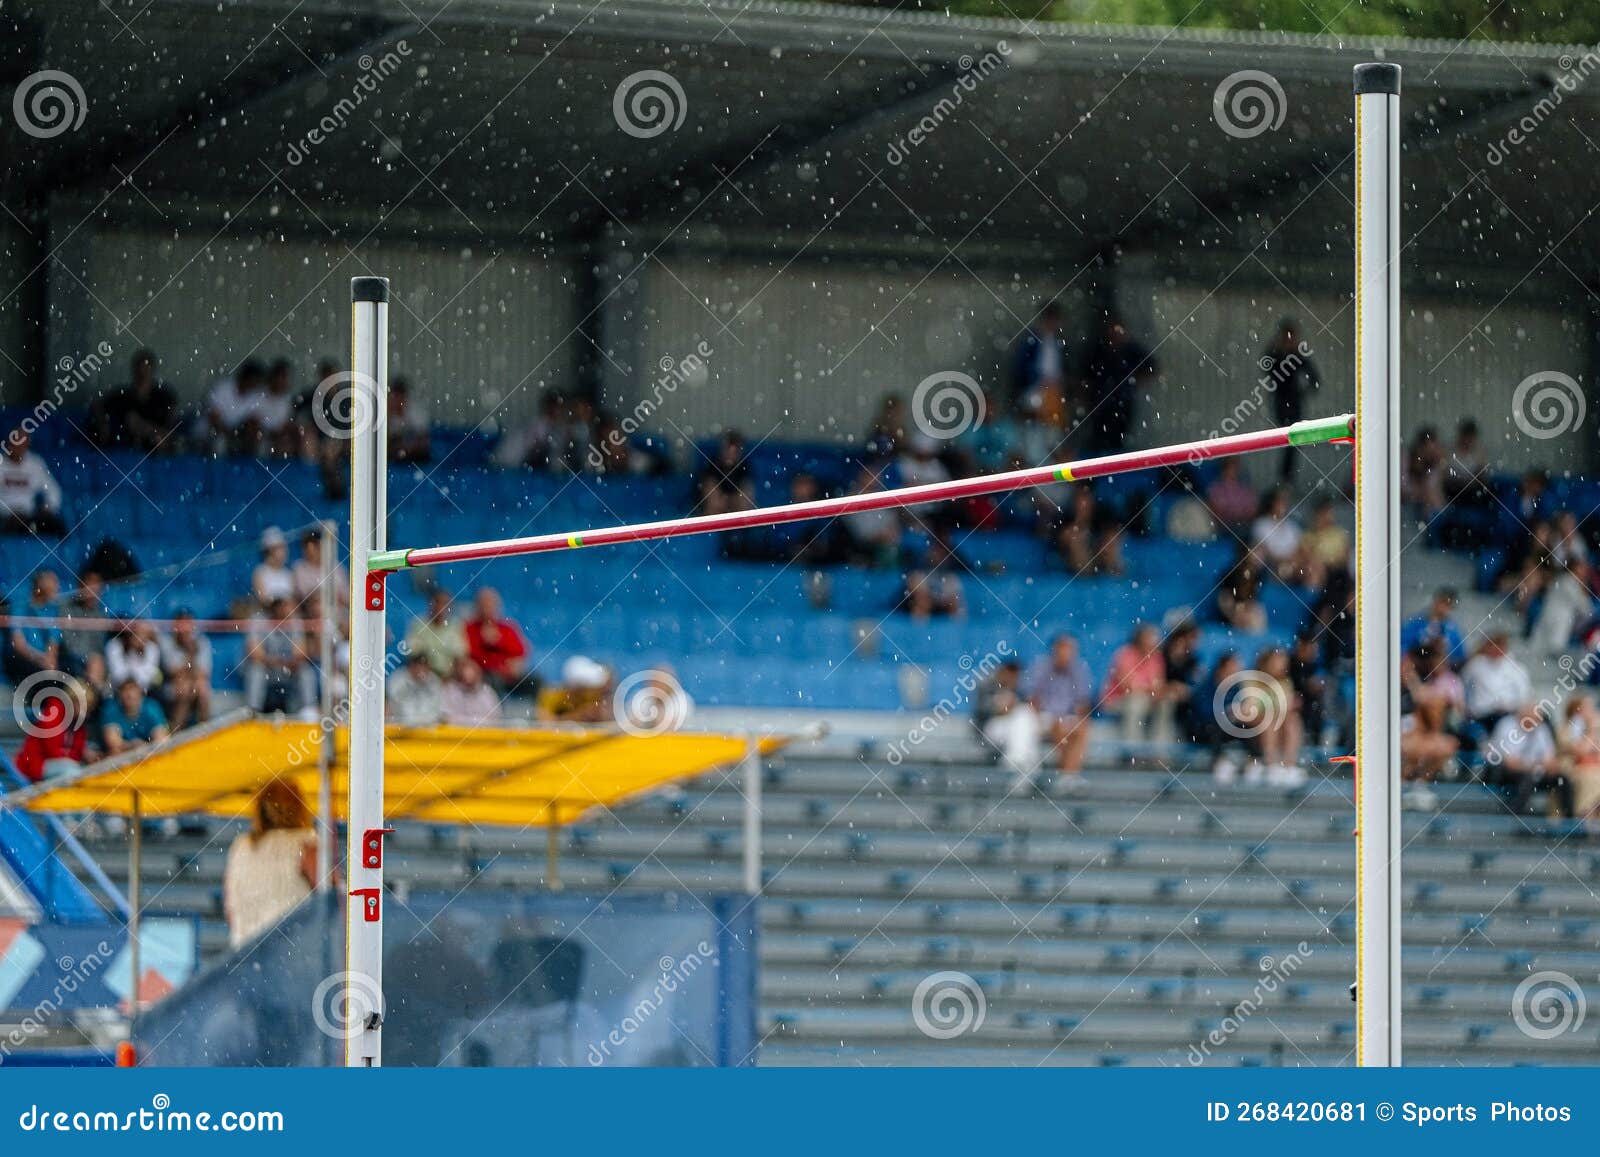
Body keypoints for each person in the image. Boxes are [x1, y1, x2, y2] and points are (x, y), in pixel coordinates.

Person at [222, 779, 319, 949]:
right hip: (292, 950)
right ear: (299, 806)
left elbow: (230, 912)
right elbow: (332, 899)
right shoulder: (307, 843)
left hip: (246, 951)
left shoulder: (240, 847)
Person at [1079, 310, 1156, 454]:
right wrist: (1085, 398)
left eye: (1118, 331)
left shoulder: (1131, 350)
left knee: (1119, 441)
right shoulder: (1099, 351)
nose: (1115, 334)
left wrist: (1135, 380)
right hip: (1100, 404)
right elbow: (1085, 377)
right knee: (1099, 441)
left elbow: (1153, 367)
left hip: (1123, 404)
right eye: (1112, 330)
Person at [1024, 634, 1093, 788]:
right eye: (1064, 649)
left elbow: (1082, 702)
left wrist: (1079, 719)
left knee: (1082, 728)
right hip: (1043, 715)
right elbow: (1032, 699)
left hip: (1067, 716)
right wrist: (1037, 719)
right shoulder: (1041, 667)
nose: (1067, 654)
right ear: (1055, 649)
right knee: (1059, 726)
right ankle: (1067, 774)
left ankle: (1069, 774)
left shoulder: (1079, 669)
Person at [1486, 705, 1573, 819]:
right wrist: (1536, 766)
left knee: (1562, 779)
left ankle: (1569, 818)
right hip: (1500, 771)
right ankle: (1513, 814)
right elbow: (1510, 763)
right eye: (1532, 719)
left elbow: (1551, 761)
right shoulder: (1507, 726)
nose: (1535, 723)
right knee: (1528, 777)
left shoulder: (1541, 729)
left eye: (1537, 720)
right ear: (1522, 716)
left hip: (1533, 772)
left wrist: (1540, 766)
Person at [1261, 318, 1320, 481]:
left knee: (1294, 441)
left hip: (1294, 403)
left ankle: (1286, 480)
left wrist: (1302, 391)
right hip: (1280, 402)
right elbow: (1267, 367)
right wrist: (1280, 352)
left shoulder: (1297, 355)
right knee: (1285, 438)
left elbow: (1315, 380)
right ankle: (1284, 480)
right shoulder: (1275, 353)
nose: (1289, 341)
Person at [92, 348, 181, 451]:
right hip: (131, 441)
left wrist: (153, 430)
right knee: (131, 420)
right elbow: (97, 406)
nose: (142, 375)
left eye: (145, 371)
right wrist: (103, 423)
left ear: (151, 371)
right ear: (134, 371)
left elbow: (171, 423)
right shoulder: (123, 396)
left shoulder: (164, 396)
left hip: (158, 438)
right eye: (139, 371)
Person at [1100, 623, 1169, 748]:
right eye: (1150, 638)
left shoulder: (1156, 657)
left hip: (1145, 698)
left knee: (1165, 703)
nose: (1154, 642)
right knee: (1136, 703)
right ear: (1140, 639)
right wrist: (1149, 689)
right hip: (1117, 700)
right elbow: (1128, 685)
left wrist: (1154, 691)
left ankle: (1159, 747)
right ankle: (1132, 748)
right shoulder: (1125, 654)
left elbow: (1158, 685)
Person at [973, 659, 1041, 783]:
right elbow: (986, 711)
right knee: (1022, 718)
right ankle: (1022, 766)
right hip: (989, 730)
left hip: (1012, 730)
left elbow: (1029, 708)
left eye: (1015, 675)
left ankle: (1016, 763)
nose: (1012, 678)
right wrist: (1003, 706)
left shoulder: (1019, 690)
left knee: (1023, 717)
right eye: (1009, 673)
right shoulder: (987, 686)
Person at [13, 676, 92, 782]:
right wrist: (72, 757)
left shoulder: (77, 722)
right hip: (35, 765)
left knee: (77, 770)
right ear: (73, 700)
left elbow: (78, 751)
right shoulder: (54, 712)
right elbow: (52, 750)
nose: (86, 711)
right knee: (72, 770)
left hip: (57, 766)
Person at [245, 597, 315, 716]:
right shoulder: (258, 620)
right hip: (267, 669)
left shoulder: (295, 622)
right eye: (285, 605)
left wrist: (286, 663)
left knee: (306, 671)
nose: (289, 609)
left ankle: (309, 711)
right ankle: (253, 712)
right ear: (276, 606)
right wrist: (276, 662)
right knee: (256, 670)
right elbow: (255, 654)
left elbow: (301, 654)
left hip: (287, 669)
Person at [464, 587, 537, 697]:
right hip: (486, 675)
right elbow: (469, 654)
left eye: (490, 605)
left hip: (509, 675)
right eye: (484, 605)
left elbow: (522, 652)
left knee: (535, 681)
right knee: (494, 680)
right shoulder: (470, 628)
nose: (487, 609)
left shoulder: (507, 628)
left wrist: (499, 642)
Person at [1461, 632, 1531, 736]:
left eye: (1500, 645)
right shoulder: (1475, 665)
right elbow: (1463, 687)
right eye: (1492, 645)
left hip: (1510, 714)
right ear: (1486, 646)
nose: (1496, 649)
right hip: (1483, 715)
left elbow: (1524, 695)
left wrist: (1510, 706)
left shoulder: (1517, 668)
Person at [0, 430, 65, 536]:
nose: (19, 448)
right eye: (16, 443)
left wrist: (48, 506)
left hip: (29, 515)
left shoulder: (35, 463)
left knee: (57, 526)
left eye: (23, 444)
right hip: (5, 516)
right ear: (9, 444)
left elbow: (53, 489)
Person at [1011, 300, 1070, 415]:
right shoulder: (1030, 341)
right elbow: (1021, 368)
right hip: (1034, 389)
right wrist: (1039, 380)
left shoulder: (1059, 341)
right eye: (1050, 319)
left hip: (1055, 391)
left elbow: (1064, 368)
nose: (1053, 323)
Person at [158, 609, 214, 731]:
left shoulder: (202, 642)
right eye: (181, 625)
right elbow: (172, 672)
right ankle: (176, 732)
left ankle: (205, 732)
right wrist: (191, 655)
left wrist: (187, 673)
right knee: (185, 688)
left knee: (202, 688)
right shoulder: (166, 642)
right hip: (169, 687)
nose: (184, 630)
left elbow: (204, 673)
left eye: (188, 625)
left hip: (192, 684)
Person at [4, 570, 62, 686]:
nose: (58, 587)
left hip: (43, 663)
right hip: (23, 660)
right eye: (53, 582)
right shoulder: (20, 607)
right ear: (40, 584)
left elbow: (53, 643)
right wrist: (41, 659)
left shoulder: (52, 611)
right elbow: (18, 645)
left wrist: (50, 662)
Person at [203, 359, 267, 455]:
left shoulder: (255, 395)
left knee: (262, 444)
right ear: (246, 378)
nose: (256, 384)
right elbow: (213, 418)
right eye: (255, 381)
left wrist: (246, 435)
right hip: (214, 431)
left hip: (238, 434)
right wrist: (229, 434)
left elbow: (254, 422)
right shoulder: (223, 388)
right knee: (220, 443)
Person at [406, 587, 468, 677]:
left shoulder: (456, 626)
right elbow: (413, 652)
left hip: (450, 676)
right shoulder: (418, 624)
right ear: (430, 604)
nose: (441, 607)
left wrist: (451, 675)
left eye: (445, 603)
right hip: (423, 674)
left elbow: (461, 655)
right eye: (438, 602)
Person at [100, 677, 170, 756]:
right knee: (114, 751)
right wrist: (132, 746)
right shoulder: (111, 709)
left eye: (132, 689)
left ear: (140, 692)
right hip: (125, 754)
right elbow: (113, 742)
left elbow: (162, 738)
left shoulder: (151, 707)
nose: (130, 694)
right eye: (125, 690)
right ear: (119, 694)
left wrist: (145, 748)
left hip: (149, 752)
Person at [1400, 587, 1465, 667]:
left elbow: (1460, 656)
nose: (1445, 608)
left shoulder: (1453, 630)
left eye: (1449, 605)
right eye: (1443, 602)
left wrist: (1444, 650)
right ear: (1435, 601)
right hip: (1415, 665)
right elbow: (1401, 647)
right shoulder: (1415, 622)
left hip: (1441, 668)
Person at [538, 655, 614, 723]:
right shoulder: (553, 696)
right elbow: (545, 721)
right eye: (585, 687)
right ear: (576, 687)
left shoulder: (595, 696)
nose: (591, 690)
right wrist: (577, 717)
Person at [439, 657, 503, 727]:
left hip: (483, 732)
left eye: (472, 672)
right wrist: (472, 722)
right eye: (465, 673)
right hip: (457, 732)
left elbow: (495, 718)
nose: (468, 676)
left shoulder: (487, 692)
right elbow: (447, 717)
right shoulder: (451, 690)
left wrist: (472, 722)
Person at [106, 621, 163, 693]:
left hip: (144, 691)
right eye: (136, 634)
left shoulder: (152, 648)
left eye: (144, 635)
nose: (140, 638)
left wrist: (142, 653)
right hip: (118, 690)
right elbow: (118, 674)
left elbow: (148, 676)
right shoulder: (115, 645)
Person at [1204, 458, 1259, 532]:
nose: (1234, 472)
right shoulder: (1216, 489)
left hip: (1246, 523)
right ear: (1224, 470)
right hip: (1226, 525)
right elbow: (1217, 510)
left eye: (1236, 469)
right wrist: (1236, 512)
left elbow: (1253, 508)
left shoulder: (1244, 487)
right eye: (1231, 469)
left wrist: (1242, 513)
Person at [252, 527, 295, 608]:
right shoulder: (260, 572)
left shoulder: (288, 573)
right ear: (270, 551)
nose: (285, 551)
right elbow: (263, 600)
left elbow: (293, 599)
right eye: (280, 548)